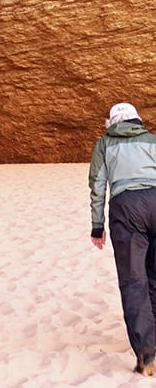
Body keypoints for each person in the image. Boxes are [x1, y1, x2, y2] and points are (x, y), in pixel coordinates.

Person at [89, 102, 156, 376]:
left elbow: (97, 184)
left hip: (126, 208)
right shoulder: (153, 140)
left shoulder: (104, 144)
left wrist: (97, 225)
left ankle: (147, 354)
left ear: (113, 122)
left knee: (133, 280)